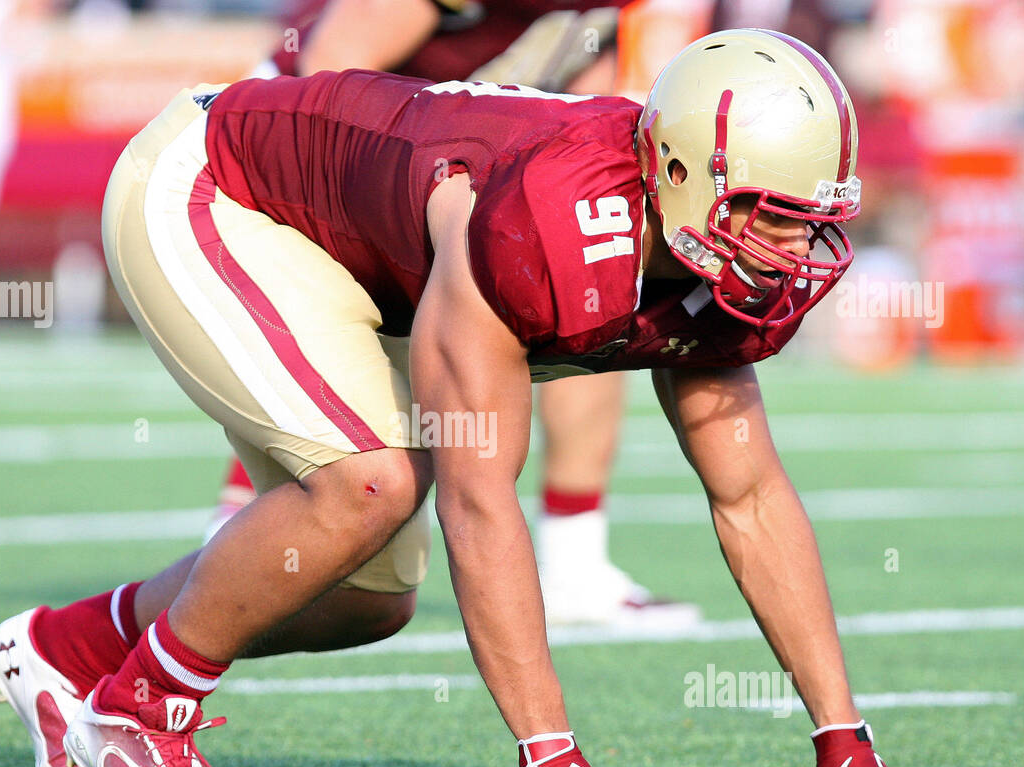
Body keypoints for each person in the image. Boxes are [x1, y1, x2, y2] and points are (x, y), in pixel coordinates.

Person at [0, 28, 924, 767]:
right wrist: (550, 757)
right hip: (219, 187)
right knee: (372, 484)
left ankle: (67, 650)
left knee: (366, 599)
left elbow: (749, 496)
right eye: (769, 216)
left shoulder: (697, 250)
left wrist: (838, 730)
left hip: (367, 261)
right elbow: (480, 501)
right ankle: (142, 712)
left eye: (810, 224)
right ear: (678, 174)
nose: (792, 254)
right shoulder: (541, 220)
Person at [207, 0, 700, 630]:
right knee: (346, 345)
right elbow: (329, 71)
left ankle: (575, 558)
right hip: (311, 149)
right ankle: (240, 523)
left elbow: (585, 95)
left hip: (453, 153)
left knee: (604, 271)